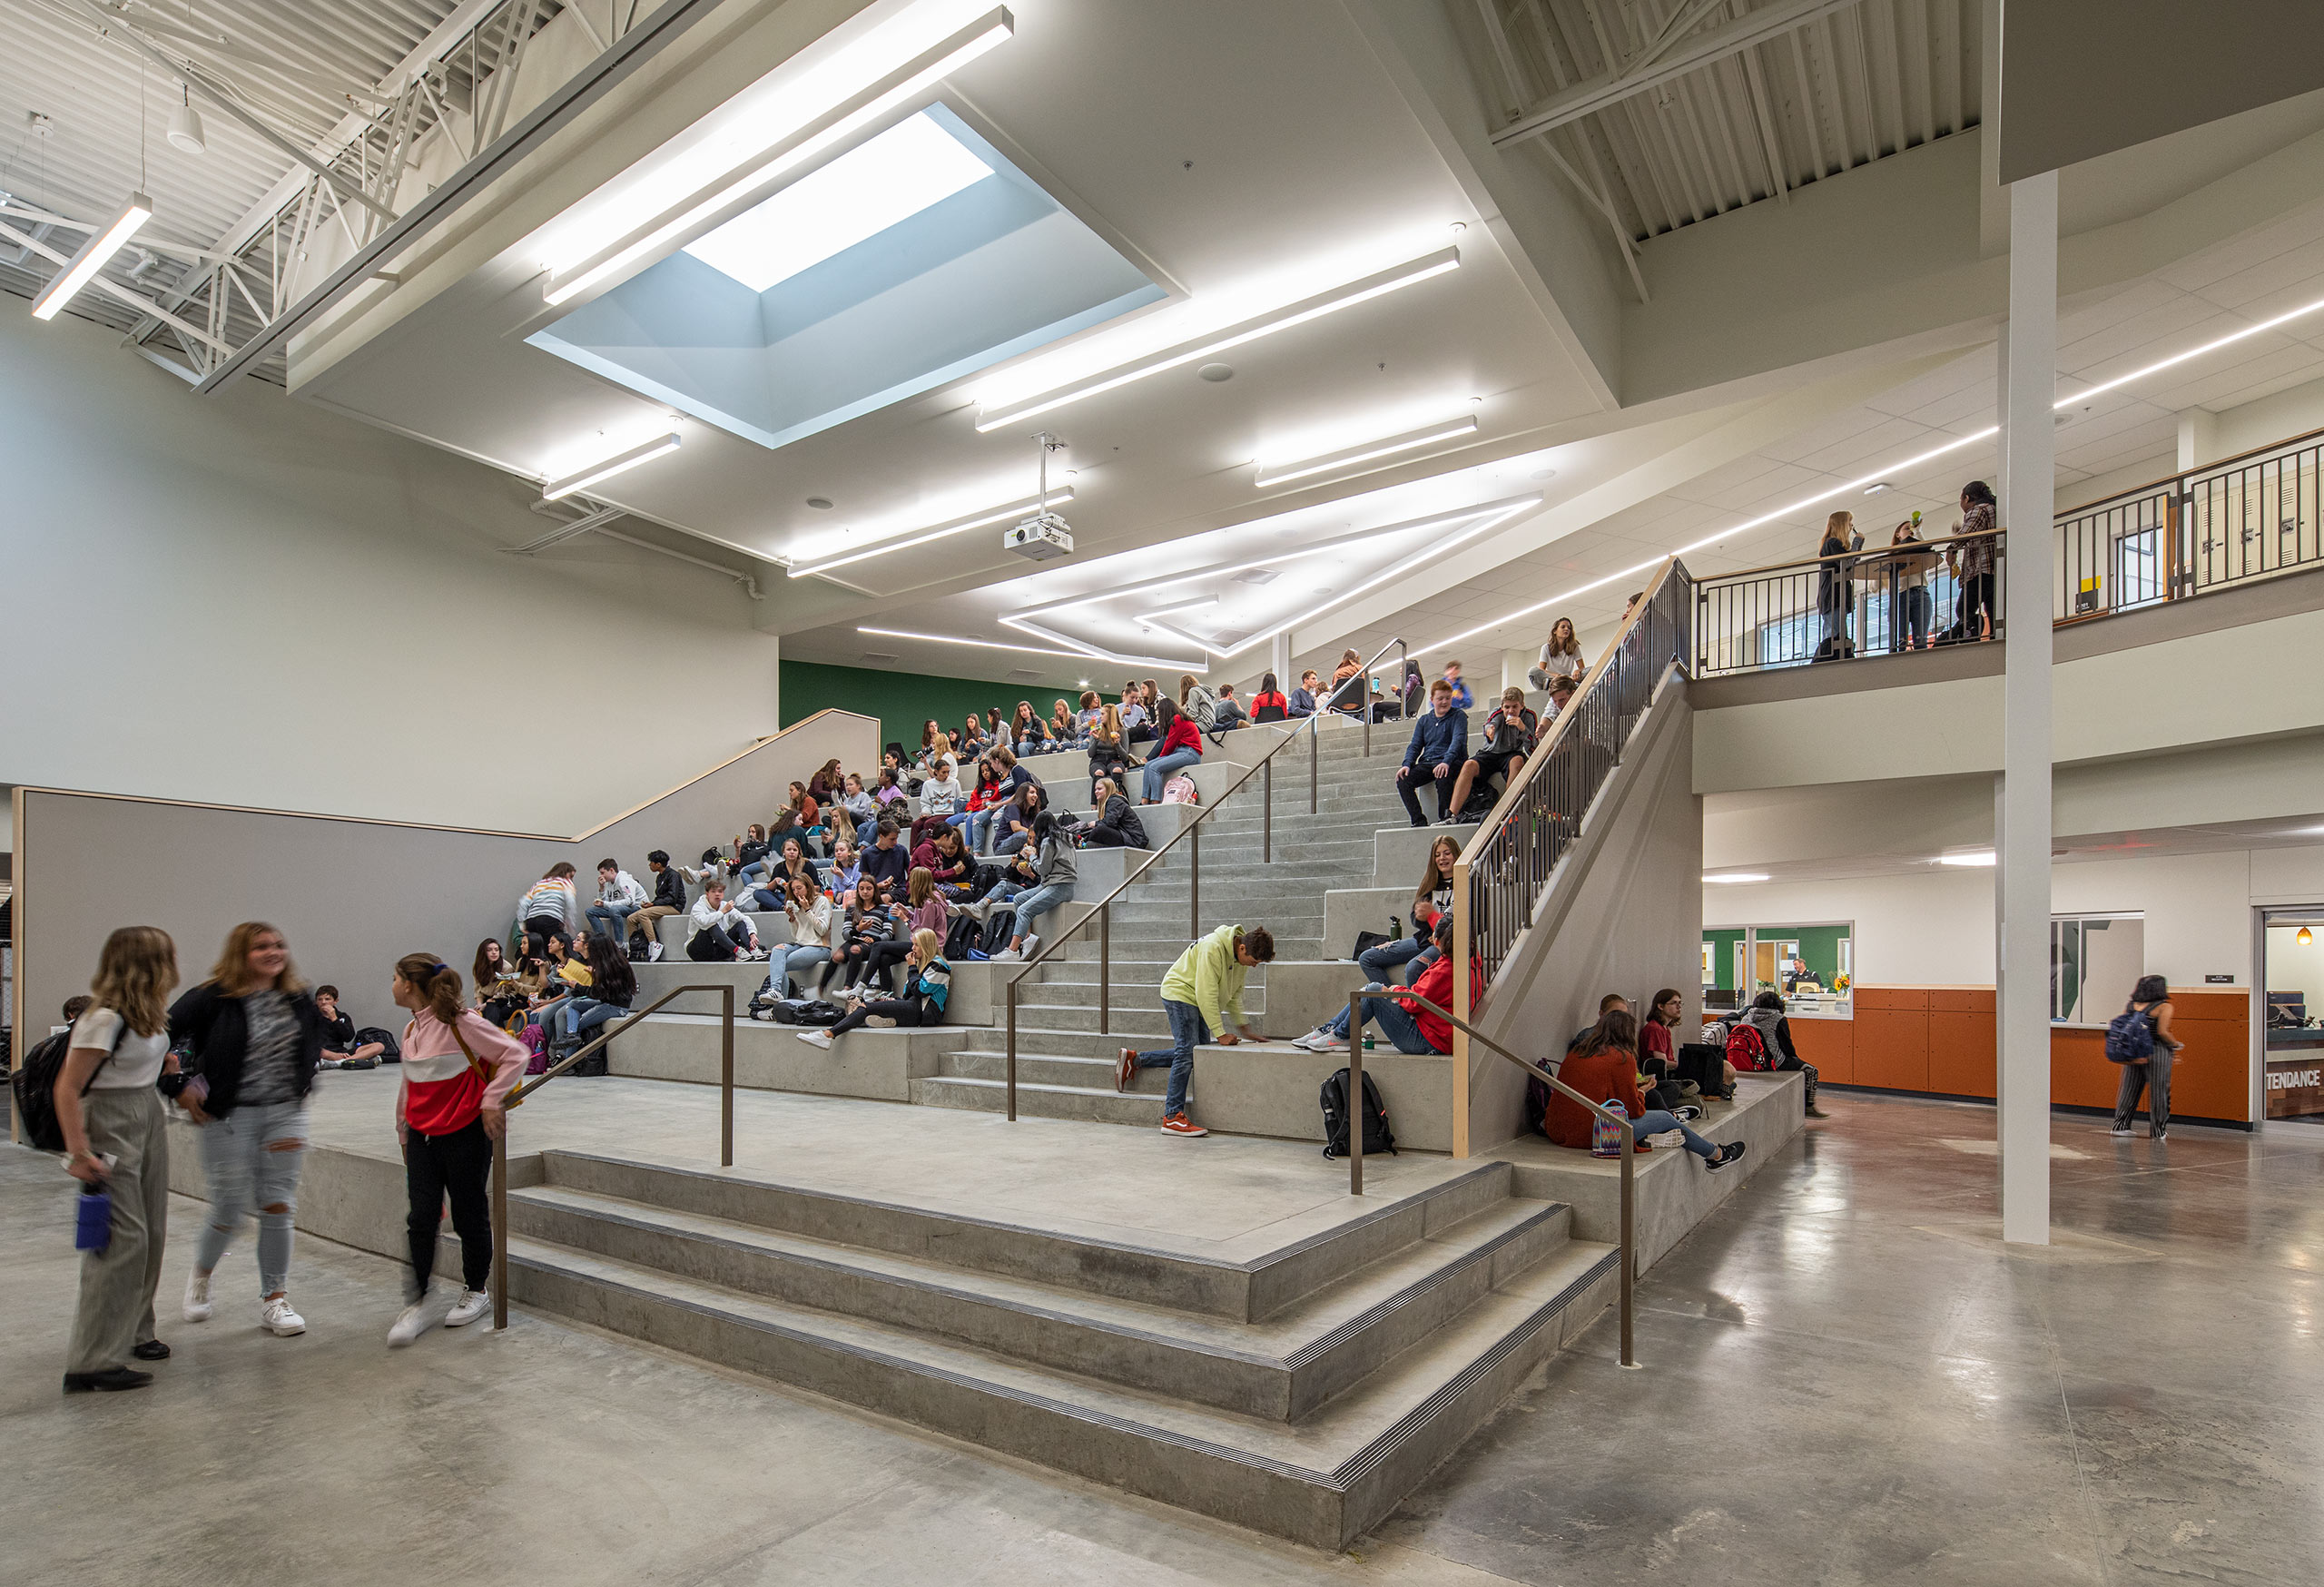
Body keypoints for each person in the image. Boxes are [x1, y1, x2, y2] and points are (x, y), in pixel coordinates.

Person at [169, 922, 324, 1338]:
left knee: (278, 1205)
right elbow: (158, 1032)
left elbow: (312, 1042)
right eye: (261, 947)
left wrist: (304, 1080)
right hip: (228, 1117)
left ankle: (275, 1298)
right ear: (240, 953)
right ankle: (201, 1276)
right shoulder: (211, 997)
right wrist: (177, 1085)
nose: (274, 952)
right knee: (229, 1206)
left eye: (279, 945)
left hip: (285, 1113)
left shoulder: (298, 997)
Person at [56, 926, 181, 1392]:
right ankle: (90, 1360)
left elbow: (134, 1063)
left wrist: (162, 1066)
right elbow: (67, 1088)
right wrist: (78, 1151)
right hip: (110, 1119)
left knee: (151, 1230)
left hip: (146, 1110)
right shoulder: (102, 1018)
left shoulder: (146, 1013)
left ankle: (134, 1331)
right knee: (122, 1239)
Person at [387, 954, 526, 1346]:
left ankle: (476, 1289)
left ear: (410, 985)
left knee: (468, 1214)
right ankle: (417, 1302)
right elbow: (410, 1085)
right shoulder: (411, 1028)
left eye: (395, 978)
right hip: (422, 1136)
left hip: (464, 1133)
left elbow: (515, 1054)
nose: (392, 985)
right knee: (421, 1217)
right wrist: (403, 1133)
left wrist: (491, 1100)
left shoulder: (462, 1023)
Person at [1116, 924, 1275, 1138]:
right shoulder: (1213, 948)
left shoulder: (1240, 959)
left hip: (1196, 999)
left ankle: (1134, 1060)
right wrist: (1220, 1033)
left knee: (1197, 1053)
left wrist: (1244, 1028)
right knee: (1186, 1053)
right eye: (1254, 961)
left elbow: (1234, 995)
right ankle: (1172, 1116)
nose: (1254, 966)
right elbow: (1206, 992)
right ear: (1242, 948)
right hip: (1180, 992)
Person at [1547, 1010, 1745, 1170]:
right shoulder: (1621, 1058)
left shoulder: (1577, 1052)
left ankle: (1691, 1140)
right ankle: (1717, 1155)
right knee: (1665, 1118)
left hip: (1557, 1129)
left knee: (1661, 1110)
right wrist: (1643, 1091)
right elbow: (1633, 1110)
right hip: (1594, 1133)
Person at [1294, 912, 1473, 1053]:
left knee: (1373, 991)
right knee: (1371, 990)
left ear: (1437, 941)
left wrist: (1395, 990)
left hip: (1428, 1042)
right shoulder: (1466, 963)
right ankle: (1330, 1031)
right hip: (1435, 1035)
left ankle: (1339, 1035)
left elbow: (1415, 1003)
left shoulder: (1445, 970)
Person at [799, 929, 952, 1049]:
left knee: (865, 1007)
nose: (912, 948)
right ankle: (886, 1019)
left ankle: (827, 1035)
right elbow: (911, 995)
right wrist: (893, 1000)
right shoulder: (922, 964)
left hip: (924, 1014)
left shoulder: (938, 966)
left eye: (916, 945)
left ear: (926, 946)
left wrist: (912, 967)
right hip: (913, 1007)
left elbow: (920, 991)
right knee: (864, 1004)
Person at [1360, 836, 1457, 986]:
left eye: (1447, 853)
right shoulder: (1430, 882)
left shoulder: (1470, 882)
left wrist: (1444, 934)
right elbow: (1415, 918)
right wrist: (1422, 919)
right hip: (1424, 940)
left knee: (1413, 968)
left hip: (1449, 944)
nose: (1442, 858)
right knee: (1367, 958)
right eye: (1437, 855)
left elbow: (1479, 921)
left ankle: (1414, 1002)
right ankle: (1393, 998)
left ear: (1456, 854)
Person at [1443, 685, 1537, 823]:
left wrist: (1523, 729)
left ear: (1522, 706)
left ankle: (1508, 810)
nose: (1510, 711)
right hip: (1490, 753)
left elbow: (1533, 748)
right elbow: (1490, 725)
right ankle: (1451, 816)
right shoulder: (1497, 713)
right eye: (1507, 707)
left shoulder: (1529, 716)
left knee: (1518, 761)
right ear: (1502, 706)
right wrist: (1490, 731)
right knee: (1469, 765)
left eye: (1515, 707)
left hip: (1512, 754)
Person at [991, 812, 1077, 961]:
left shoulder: (1048, 842)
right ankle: (1028, 937)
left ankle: (1012, 950)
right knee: (1019, 899)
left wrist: (1031, 856)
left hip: (1058, 885)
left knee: (1024, 910)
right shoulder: (1066, 839)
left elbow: (1043, 869)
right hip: (1056, 884)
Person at [2110, 973, 2180, 1139]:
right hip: (2157, 1050)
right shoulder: (2163, 1007)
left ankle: (2120, 1126)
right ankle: (2158, 1131)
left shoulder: (2131, 1005)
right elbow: (2162, 1032)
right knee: (2159, 1091)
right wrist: (2176, 1045)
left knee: (2129, 1089)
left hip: (2134, 1051)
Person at [1737, 991, 1828, 1117]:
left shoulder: (1746, 1016)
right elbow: (1786, 1044)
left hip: (1748, 1059)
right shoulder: (1778, 1018)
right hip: (1772, 1060)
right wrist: (1794, 1058)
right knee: (1812, 1071)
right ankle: (1808, 1106)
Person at [859, 867, 950, 993]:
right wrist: (906, 912)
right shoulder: (925, 899)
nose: (909, 883)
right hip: (920, 945)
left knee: (878, 946)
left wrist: (904, 918)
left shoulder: (930, 903)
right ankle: (886, 994)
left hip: (928, 948)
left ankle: (861, 986)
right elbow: (920, 921)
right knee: (884, 959)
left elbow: (924, 934)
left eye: (911, 880)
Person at [1396, 678, 1468, 827]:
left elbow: (1457, 742)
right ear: (1432, 700)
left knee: (1443, 775)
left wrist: (1446, 762)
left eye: (1448, 698)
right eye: (1440, 698)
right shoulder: (1424, 720)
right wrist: (1407, 764)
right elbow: (1415, 745)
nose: (1444, 702)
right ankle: (1418, 820)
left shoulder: (1459, 716)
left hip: (1452, 761)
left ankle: (1445, 818)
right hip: (1428, 762)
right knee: (1403, 780)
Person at [554, 934, 636, 1062]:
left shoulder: (608, 967)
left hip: (615, 1007)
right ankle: (571, 1035)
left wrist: (577, 986)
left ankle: (568, 1062)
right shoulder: (615, 962)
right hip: (608, 1002)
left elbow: (597, 993)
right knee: (573, 1005)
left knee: (578, 1025)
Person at [824, 877, 893, 995]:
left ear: (875, 890)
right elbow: (846, 934)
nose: (865, 892)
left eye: (869, 888)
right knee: (837, 955)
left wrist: (874, 939)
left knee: (855, 950)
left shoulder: (883, 908)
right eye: (861, 889)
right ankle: (820, 989)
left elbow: (888, 933)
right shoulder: (852, 908)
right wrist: (858, 929)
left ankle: (847, 988)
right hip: (855, 939)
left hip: (873, 943)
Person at [1949, 479, 2000, 641]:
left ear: (1967, 498)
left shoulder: (1978, 509)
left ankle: (1971, 637)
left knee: (1963, 610)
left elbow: (1966, 534)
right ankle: (1994, 639)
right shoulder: (1995, 509)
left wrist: (1952, 549)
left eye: (1961, 498)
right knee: (1992, 609)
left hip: (1980, 569)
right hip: (1995, 569)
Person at [774, 874, 837, 997]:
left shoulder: (822, 901)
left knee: (779, 965)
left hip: (820, 946)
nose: (796, 892)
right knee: (777, 950)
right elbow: (796, 935)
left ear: (808, 887)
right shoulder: (797, 904)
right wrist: (792, 918)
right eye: (793, 889)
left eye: (799, 888)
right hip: (801, 944)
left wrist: (808, 910)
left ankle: (780, 998)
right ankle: (775, 991)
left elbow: (822, 930)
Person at [1813, 510, 1858, 662]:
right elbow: (1847, 563)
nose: (1851, 525)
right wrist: (1857, 543)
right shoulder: (1832, 543)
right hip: (1834, 595)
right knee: (1834, 633)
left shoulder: (1832, 544)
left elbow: (1849, 563)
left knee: (1835, 631)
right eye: (1849, 522)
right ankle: (1832, 658)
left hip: (1834, 595)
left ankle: (1835, 657)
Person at [1886, 518, 1935, 651]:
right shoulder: (1892, 556)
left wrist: (1918, 531)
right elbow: (1875, 583)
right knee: (1900, 641)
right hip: (1900, 596)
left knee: (1921, 640)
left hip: (1921, 593)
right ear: (1898, 534)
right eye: (1907, 528)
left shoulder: (1920, 552)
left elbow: (1928, 550)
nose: (1911, 531)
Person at [1141, 696, 1203, 803]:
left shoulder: (1177, 719)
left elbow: (1170, 743)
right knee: (1148, 766)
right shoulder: (1180, 719)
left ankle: (1155, 801)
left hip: (1189, 752)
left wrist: (1160, 758)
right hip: (1183, 751)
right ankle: (1144, 800)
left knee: (1154, 768)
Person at [686, 880, 764, 961]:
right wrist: (722, 912)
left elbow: (745, 918)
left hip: (719, 947)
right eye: (713, 891)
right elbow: (704, 922)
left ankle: (752, 949)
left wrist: (752, 933)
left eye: (720, 891)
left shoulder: (725, 905)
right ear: (707, 893)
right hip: (698, 950)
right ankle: (737, 950)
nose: (717, 894)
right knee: (711, 925)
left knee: (741, 924)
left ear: (723, 894)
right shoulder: (698, 907)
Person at [628, 850, 685, 961]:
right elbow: (660, 896)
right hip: (663, 905)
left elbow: (672, 897)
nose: (649, 865)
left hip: (674, 907)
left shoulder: (673, 875)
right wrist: (651, 904)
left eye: (651, 863)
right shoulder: (660, 877)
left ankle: (654, 944)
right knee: (631, 918)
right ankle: (635, 947)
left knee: (642, 914)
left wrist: (654, 904)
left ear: (658, 864)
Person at [316, 985, 386, 1069]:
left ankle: (341, 1062)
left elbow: (348, 1037)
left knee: (379, 1046)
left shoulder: (342, 1017)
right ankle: (353, 1060)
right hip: (323, 1051)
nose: (323, 1002)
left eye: (327, 999)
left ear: (335, 1001)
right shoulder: (311, 1017)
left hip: (341, 1051)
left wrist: (334, 1019)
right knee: (317, 1051)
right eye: (320, 999)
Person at [517, 862, 578, 953]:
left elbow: (523, 903)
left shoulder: (539, 883)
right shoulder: (565, 882)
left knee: (534, 952)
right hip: (550, 920)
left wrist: (522, 924)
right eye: (571, 876)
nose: (572, 879)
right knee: (554, 951)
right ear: (565, 873)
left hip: (531, 921)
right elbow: (570, 904)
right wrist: (570, 928)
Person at [586, 857, 648, 946]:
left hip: (637, 907)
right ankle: (603, 942)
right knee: (590, 912)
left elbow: (630, 901)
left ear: (611, 870)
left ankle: (619, 943)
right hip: (618, 908)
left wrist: (605, 904)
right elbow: (606, 902)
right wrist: (602, 888)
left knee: (614, 910)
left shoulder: (624, 880)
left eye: (603, 873)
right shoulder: (608, 883)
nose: (601, 876)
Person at [1086, 704, 1137, 805]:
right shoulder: (1097, 729)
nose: (1100, 716)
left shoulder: (1121, 731)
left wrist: (1117, 744)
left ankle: (1114, 801)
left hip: (1114, 759)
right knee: (1099, 772)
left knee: (1117, 770)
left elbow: (1124, 757)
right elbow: (1090, 754)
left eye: (1103, 714)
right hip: (1098, 759)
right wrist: (1096, 739)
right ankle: (1095, 804)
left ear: (1110, 716)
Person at [1080, 777, 1149, 849]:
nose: (1096, 792)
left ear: (1108, 789)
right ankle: (1083, 844)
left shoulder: (1115, 801)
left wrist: (1095, 823)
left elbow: (1110, 823)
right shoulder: (1110, 802)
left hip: (1133, 840)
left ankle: (1082, 844)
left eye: (1099, 789)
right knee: (1091, 844)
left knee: (1098, 830)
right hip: (1124, 836)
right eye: (1095, 789)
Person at [914, 756, 966, 848]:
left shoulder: (954, 783)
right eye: (943, 772)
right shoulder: (928, 784)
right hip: (934, 813)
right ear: (936, 771)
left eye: (948, 772)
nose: (946, 775)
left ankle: (930, 849)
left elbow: (960, 800)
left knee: (929, 823)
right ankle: (914, 851)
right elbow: (926, 803)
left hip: (949, 813)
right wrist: (926, 813)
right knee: (916, 825)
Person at [858, 818, 911, 902]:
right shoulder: (867, 854)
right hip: (875, 890)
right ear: (881, 836)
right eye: (892, 839)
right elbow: (865, 880)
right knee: (850, 900)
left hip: (898, 890)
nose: (895, 842)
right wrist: (878, 886)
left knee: (884, 899)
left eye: (896, 838)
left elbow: (910, 873)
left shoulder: (901, 850)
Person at [1528, 618, 1585, 692]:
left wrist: (1577, 671)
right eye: (1563, 627)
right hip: (1552, 678)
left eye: (1569, 628)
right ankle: (1555, 685)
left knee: (1589, 671)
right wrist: (1557, 676)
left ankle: (1567, 684)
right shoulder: (1546, 648)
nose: (1566, 629)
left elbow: (1582, 667)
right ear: (1555, 631)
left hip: (1568, 678)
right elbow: (1542, 670)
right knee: (1533, 671)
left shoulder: (1574, 646)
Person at [991, 782, 1046, 858]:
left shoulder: (1033, 812)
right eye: (1032, 792)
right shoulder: (1012, 807)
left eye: (1036, 793)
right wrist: (1035, 835)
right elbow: (1016, 828)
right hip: (1001, 847)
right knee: (1023, 835)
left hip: (1021, 844)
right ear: (1023, 794)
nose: (1035, 796)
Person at [834, 773, 881, 849]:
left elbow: (863, 814)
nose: (848, 787)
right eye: (847, 785)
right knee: (829, 818)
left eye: (851, 785)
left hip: (864, 822)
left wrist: (847, 808)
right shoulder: (847, 800)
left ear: (858, 786)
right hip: (850, 822)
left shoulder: (864, 796)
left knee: (851, 815)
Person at [1328, 648, 1366, 715]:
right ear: (1357, 658)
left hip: (1340, 705)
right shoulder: (1359, 668)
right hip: (1358, 704)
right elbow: (1366, 686)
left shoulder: (1337, 672)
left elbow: (1334, 689)